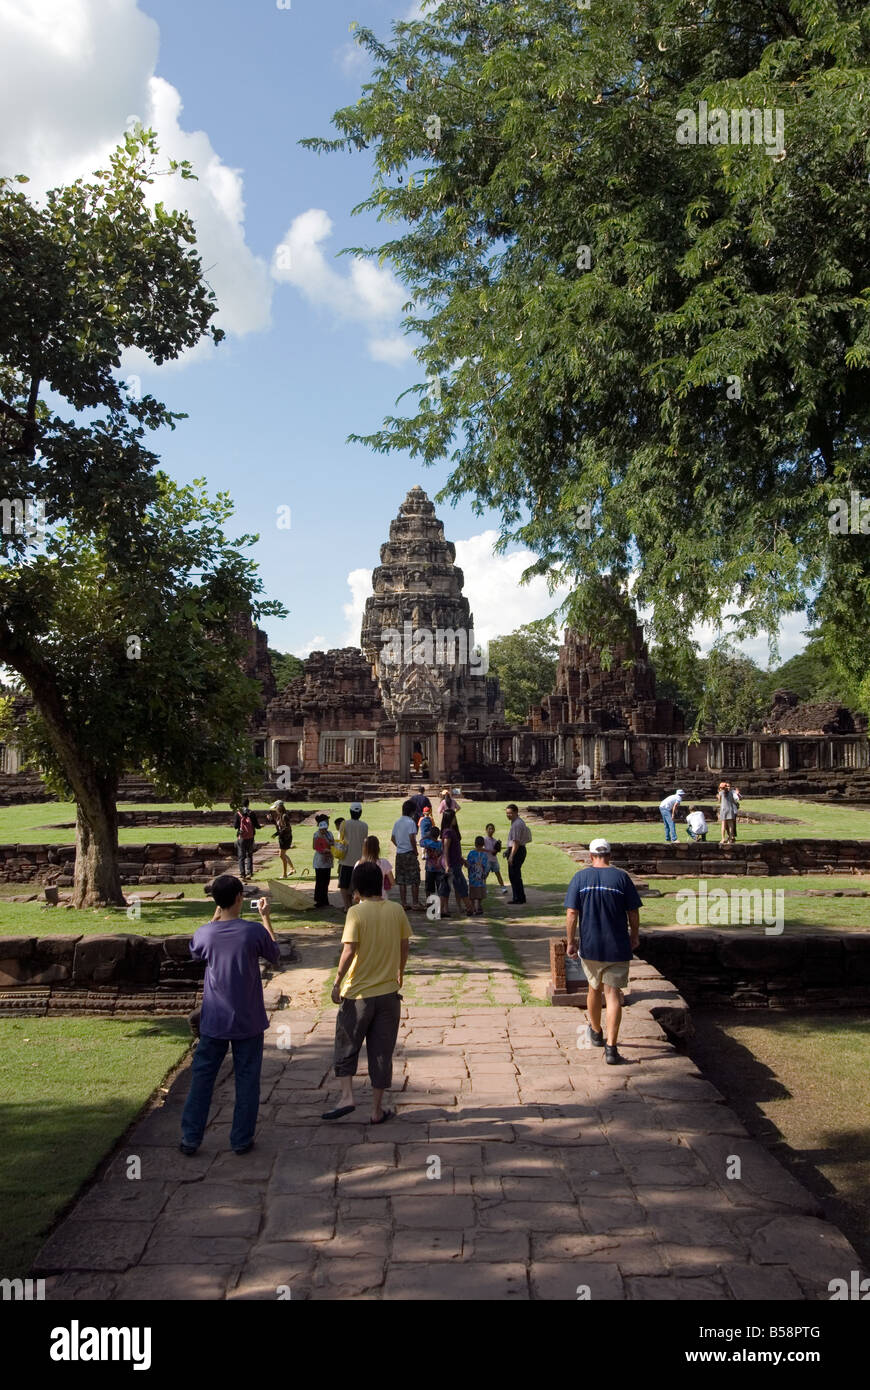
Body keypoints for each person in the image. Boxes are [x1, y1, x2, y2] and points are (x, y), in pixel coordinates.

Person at [180, 874, 280, 1154]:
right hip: (247, 1018)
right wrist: (266, 918)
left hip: (214, 1019)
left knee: (202, 1078)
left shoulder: (204, 933)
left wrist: (214, 920)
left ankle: (190, 1137)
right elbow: (275, 953)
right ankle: (241, 1139)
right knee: (247, 1080)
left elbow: (196, 952)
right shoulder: (252, 932)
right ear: (239, 898)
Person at [322, 861, 411, 1125]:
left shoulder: (355, 913)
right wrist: (400, 971)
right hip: (388, 993)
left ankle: (347, 1096)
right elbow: (405, 944)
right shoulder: (396, 910)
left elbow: (349, 951)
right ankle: (376, 1109)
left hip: (358, 994)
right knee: (382, 1051)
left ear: (357, 889)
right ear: (380, 884)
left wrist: (337, 981)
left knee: (346, 1045)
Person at [564, 838, 641, 1066]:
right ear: (610, 854)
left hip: (590, 945)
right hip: (617, 945)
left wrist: (570, 941)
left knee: (593, 989)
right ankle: (611, 1047)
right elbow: (633, 913)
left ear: (591, 856)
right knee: (613, 995)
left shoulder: (581, 878)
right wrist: (634, 935)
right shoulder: (621, 878)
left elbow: (571, 913)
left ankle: (596, 1031)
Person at [391, 798, 422, 912]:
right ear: (412, 811)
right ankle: (415, 902)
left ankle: (403, 903)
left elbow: (392, 838)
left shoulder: (397, 822)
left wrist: (400, 845)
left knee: (402, 879)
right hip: (409, 853)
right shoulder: (411, 822)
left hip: (400, 854)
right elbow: (412, 839)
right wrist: (415, 851)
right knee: (414, 879)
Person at [338, 802, 369, 910]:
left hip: (346, 859)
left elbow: (340, 840)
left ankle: (347, 906)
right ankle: (357, 906)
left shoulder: (344, 824)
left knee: (344, 885)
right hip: (360, 860)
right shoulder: (365, 825)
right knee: (358, 885)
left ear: (350, 812)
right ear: (360, 812)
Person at [440, 808, 470, 914]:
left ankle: (443, 909)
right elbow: (446, 850)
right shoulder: (448, 832)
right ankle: (469, 908)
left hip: (455, 862)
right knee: (461, 886)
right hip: (452, 865)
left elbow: (454, 851)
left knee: (446, 887)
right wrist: (447, 865)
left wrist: (462, 860)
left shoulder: (452, 832)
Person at [505, 804, 532, 904]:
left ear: (516, 812)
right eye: (507, 813)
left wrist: (511, 856)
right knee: (516, 875)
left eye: (510, 813)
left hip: (517, 851)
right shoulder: (517, 822)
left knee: (514, 875)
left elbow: (516, 842)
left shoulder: (516, 824)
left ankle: (518, 898)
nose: (508, 815)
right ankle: (519, 897)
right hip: (518, 850)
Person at [420, 821, 448, 916]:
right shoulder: (440, 844)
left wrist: (426, 836)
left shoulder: (427, 842)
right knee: (439, 887)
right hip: (440, 868)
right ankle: (439, 905)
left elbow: (421, 842)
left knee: (429, 887)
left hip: (430, 868)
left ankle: (429, 903)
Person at [354, 834, 393, 900]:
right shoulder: (384, 862)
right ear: (378, 848)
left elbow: (355, 884)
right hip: (381, 898)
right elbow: (392, 882)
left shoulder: (359, 863)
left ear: (364, 848)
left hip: (364, 900)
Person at [233, 799, 261, 882]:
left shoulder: (238, 813)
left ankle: (242, 873)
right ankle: (249, 872)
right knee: (249, 855)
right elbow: (257, 825)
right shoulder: (251, 813)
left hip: (241, 837)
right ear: (248, 804)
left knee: (241, 856)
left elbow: (235, 826)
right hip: (250, 837)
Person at [312, 814, 335, 908]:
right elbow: (315, 846)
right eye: (326, 822)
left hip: (328, 860)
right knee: (320, 882)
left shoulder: (330, 833)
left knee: (326, 881)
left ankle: (325, 901)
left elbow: (333, 843)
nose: (328, 824)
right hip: (320, 861)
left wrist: (330, 845)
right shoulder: (317, 834)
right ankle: (318, 901)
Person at [269, 800, 295, 878]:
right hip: (282, 837)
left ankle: (284, 874)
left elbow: (287, 827)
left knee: (281, 855)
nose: (275, 809)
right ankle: (292, 869)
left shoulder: (284, 816)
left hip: (286, 838)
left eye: (276, 808)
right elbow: (279, 827)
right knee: (282, 855)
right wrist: (272, 821)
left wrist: (278, 833)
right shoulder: (279, 816)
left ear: (279, 807)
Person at [466, 836, 491, 916]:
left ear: (475, 843)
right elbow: (487, 866)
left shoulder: (471, 853)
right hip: (481, 878)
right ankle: (479, 906)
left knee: (472, 893)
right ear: (483, 844)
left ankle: (473, 907)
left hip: (473, 877)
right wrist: (486, 874)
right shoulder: (485, 855)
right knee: (480, 892)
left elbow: (468, 864)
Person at [484, 822, 508, 895]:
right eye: (489, 829)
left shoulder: (495, 841)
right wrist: (490, 850)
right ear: (486, 830)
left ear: (494, 830)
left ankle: (503, 888)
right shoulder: (484, 839)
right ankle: (484, 889)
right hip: (487, 860)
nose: (491, 830)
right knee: (485, 875)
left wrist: (497, 849)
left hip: (494, 860)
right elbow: (480, 849)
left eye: (492, 829)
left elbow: (495, 852)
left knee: (498, 874)